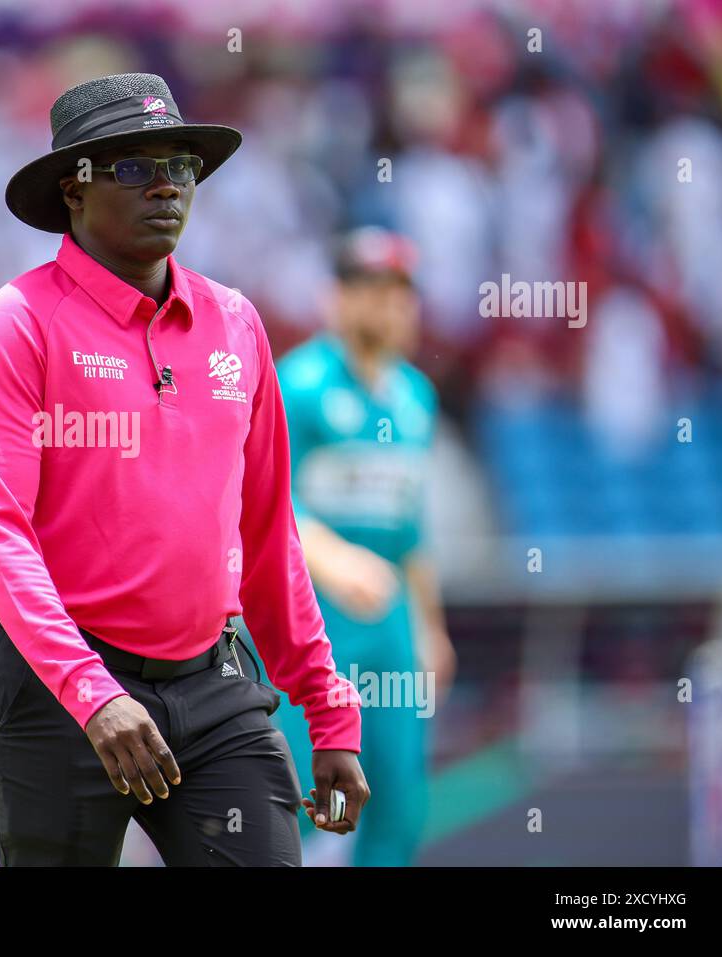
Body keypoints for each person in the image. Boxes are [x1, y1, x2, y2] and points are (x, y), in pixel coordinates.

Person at [0, 73, 369, 866]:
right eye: (135, 168)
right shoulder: (15, 327)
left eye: (180, 165)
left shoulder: (236, 323)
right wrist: (90, 691)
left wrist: (329, 709)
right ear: (74, 189)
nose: (168, 186)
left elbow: (269, 532)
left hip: (214, 685)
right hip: (55, 688)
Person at [264, 226, 456, 866]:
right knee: (308, 794)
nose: (387, 305)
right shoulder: (300, 384)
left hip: (389, 626)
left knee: (398, 793)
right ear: (337, 298)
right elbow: (265, 497)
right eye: (369, 289)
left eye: (399, 291)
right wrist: (329, 556)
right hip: (309, 620)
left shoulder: (415, 398)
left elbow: (412, 528)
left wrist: (430, 627)